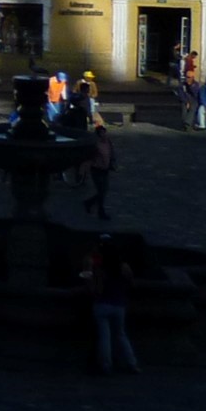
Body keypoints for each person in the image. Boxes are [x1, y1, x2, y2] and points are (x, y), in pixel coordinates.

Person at [85, 235, 140, 375]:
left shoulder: (100, 268)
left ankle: (106, 365)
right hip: (119, 305)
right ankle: (132, 363)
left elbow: (95, 290)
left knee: (105, 336)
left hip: (102, 305)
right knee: (121, 335)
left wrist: (87, 274)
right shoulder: (124, 267)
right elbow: (132, 283)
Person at [82, 119, 116, 219]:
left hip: (105, 169)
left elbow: (111, 153)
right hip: (96, 169)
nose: (104, 135)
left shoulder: (108, 142)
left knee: (104, 191)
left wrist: (112, 162)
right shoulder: (95, 144)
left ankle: (89, 203)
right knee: (101, 191)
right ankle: (101, 211)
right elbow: (89, 156)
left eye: (104, 133)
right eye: (101, 133)